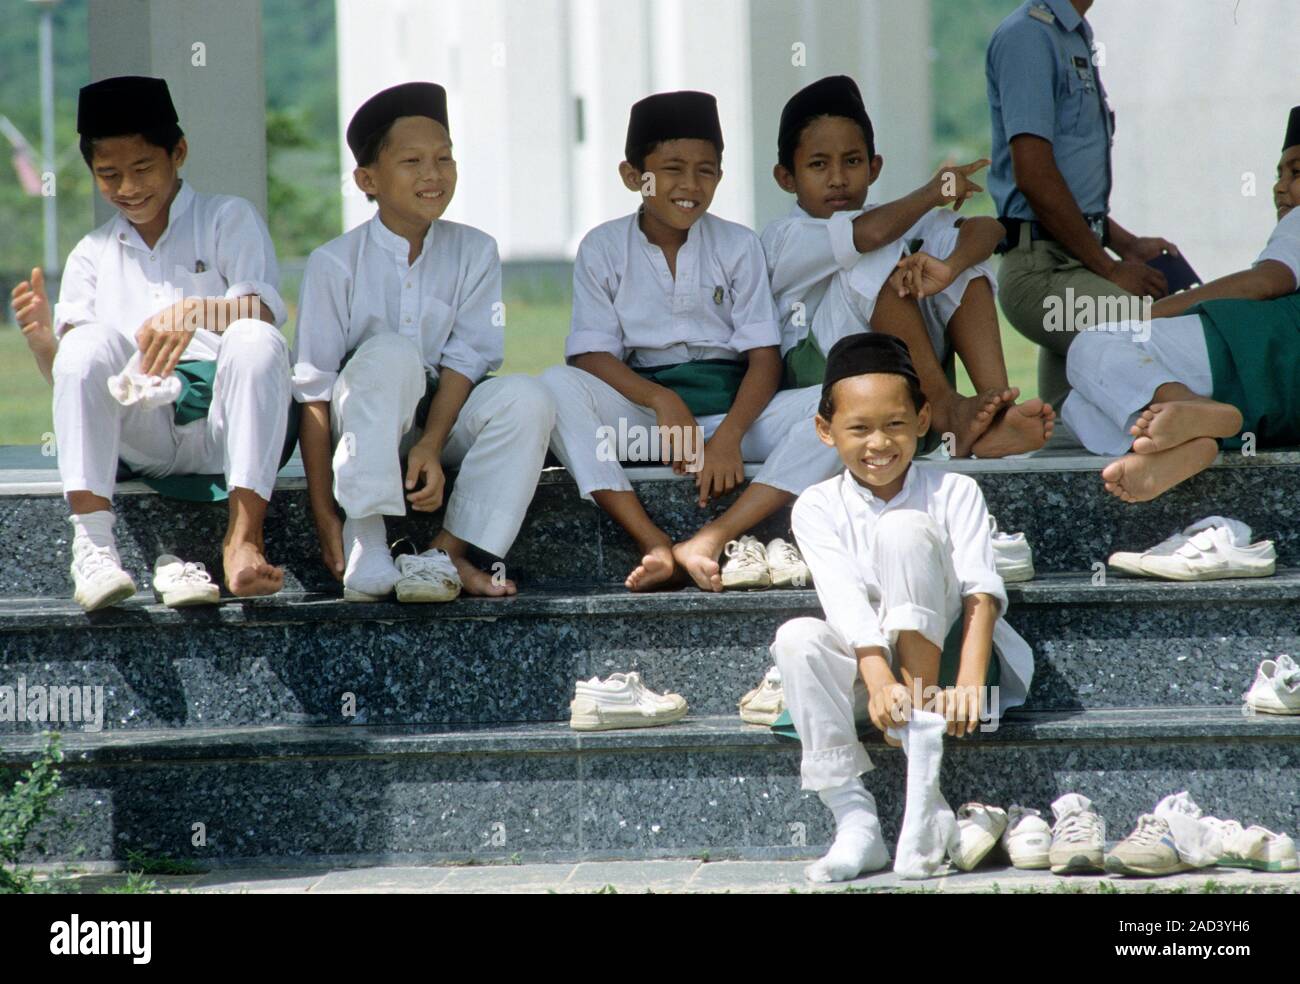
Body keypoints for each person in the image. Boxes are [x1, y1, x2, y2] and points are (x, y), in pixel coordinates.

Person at [540, 90, 840, 592]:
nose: (690, 185)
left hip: (735, 421)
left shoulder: (737, 244)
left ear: (720, 177)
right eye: (672, 169)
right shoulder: (603, 246)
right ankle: (651, 540)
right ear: (634, 176)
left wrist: (728, 439)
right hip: (647, 423)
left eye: (706, 170)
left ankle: (713, 536)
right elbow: (589, 355)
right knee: (553, 386)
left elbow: (764, 360)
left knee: (837, 406)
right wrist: (662, 400)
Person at [11, 75, 291, 610]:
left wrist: (200, 310)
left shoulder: (227, 218)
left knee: (254, 336)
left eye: (142, 168)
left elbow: (268, 312)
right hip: (146, 433)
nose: (129, 187)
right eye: (109, 175)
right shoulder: (91, 254)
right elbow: (79, 386)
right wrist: (46, 345)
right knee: (85, 343)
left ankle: (243, 540)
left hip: (228, 428)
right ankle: (93, 547)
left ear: (177, 153)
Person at [770, 332, 1033, 883]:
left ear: (922, 419)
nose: (878, 444)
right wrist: (877, 676)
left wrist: (965, 682)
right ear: (825, 431)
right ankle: (857, 823)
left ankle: (921, 772)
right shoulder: (816, 506)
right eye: (858, 428)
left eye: (894, 424)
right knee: (796, 637)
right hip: (871, 676)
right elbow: (841, 597)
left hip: (945, 672)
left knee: (904, 529)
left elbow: (981, 592)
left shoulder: (953, 490)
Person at [290, 81, 556, 601]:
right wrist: (325, 513)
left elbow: (467, 359)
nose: (433, 175)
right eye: (412, 161)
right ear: (367, 178)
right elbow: (314, 394)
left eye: (444, 159)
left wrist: (432, 443)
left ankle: (446, 555)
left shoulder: (475, 250)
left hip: (441, 422)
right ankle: (367, 537)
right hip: (361, 427)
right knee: (390, 353)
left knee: (528, 398)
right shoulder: (333, 263)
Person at [763, 75, 1053, 458]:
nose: (837, 178)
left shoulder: (881, 219)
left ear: (874, 168)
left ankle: (996, 414)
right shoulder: (784, 236)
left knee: (957, 252)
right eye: (818, 165)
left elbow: (988, 229)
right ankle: (949, 410)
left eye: (852, 162)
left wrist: (949, 267)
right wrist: (934, 192)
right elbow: (869, 235)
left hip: (895, 376)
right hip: (822, 379)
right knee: (876, 253)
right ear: (787, 178)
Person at [1062, 107, 1300, 502]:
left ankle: (1186, 407)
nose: (1279, 187)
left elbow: (1264, 282)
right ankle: (1192, 437)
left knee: (1092, 343)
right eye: (1279, 174)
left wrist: (1153, 312)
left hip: (1259, 354)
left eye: (1296, 172)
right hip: (1278, 405)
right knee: (1081, 404)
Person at [987, 0, 1181, 413]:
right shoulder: (1028, 35)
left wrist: (1125, 244)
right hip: (1043, 270)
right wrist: (1110, 268)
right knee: (1163, 333)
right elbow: (1035, 178)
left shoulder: (1072, 33)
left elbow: (1066, 187)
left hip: (1074, 263)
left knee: (1078, 427)